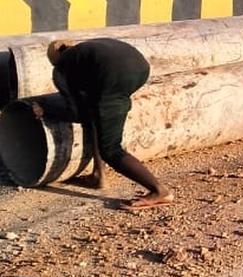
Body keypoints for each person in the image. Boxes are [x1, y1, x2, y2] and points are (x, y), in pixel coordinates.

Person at [40, 38, 173, 209]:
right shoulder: (86, 52)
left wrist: (47, 111)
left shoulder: (61, 69)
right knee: (97, 112)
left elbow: (77, 114)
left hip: (113, 75)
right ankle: (99, 175)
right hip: (140, 68)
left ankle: (159, 190)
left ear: (54, 60)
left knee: (110, 149)